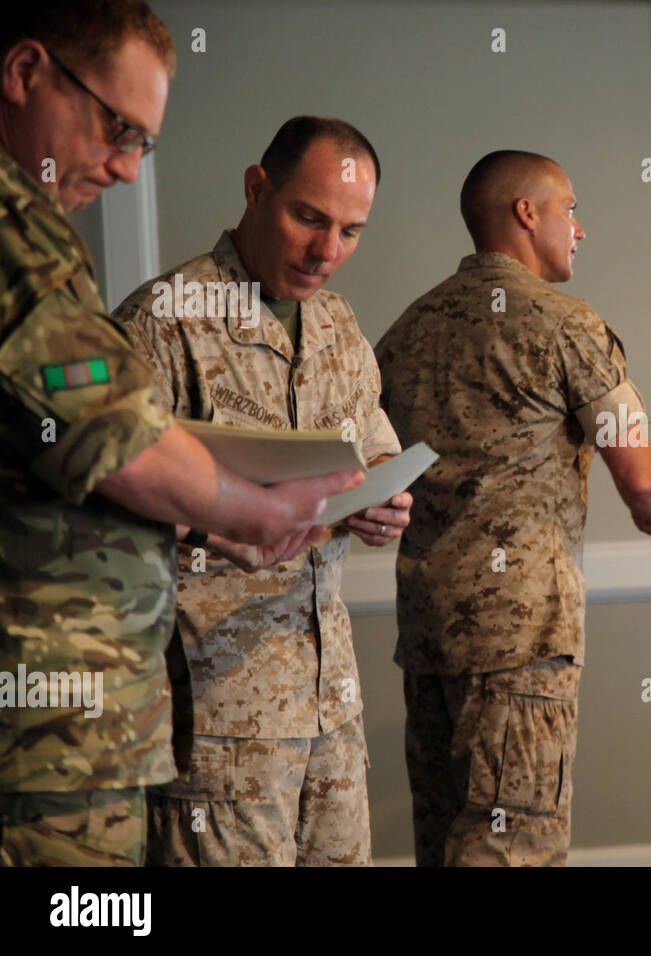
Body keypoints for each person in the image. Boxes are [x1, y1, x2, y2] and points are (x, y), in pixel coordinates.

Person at [0, 3, 361, 867]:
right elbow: (116, 443)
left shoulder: (338, 324)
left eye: (144, 144)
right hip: (63, 720)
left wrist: (217, 520)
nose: (126, 168)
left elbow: (65, 464)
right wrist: (253, 514)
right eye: (116, 127)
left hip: (99, 719)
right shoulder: (24, 239)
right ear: (23, 74)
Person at [114, 116, 407, 865]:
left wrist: (385, 502)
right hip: (217, 717)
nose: (326, 252)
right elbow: (108, 503)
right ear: (256, 188)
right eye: (308, 218)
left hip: (330, 706)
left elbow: (373, 450)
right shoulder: (164, 321)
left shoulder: (339, 326)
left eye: (349, 231)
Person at [375, 150, 651, 866]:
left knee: (447, 840)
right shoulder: (567, 326)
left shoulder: (406, 331)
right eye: (569, 208)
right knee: (513, 846)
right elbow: (643, 485)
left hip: (428, 634)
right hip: (522, 640)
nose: (580, 228)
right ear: (525, 213)